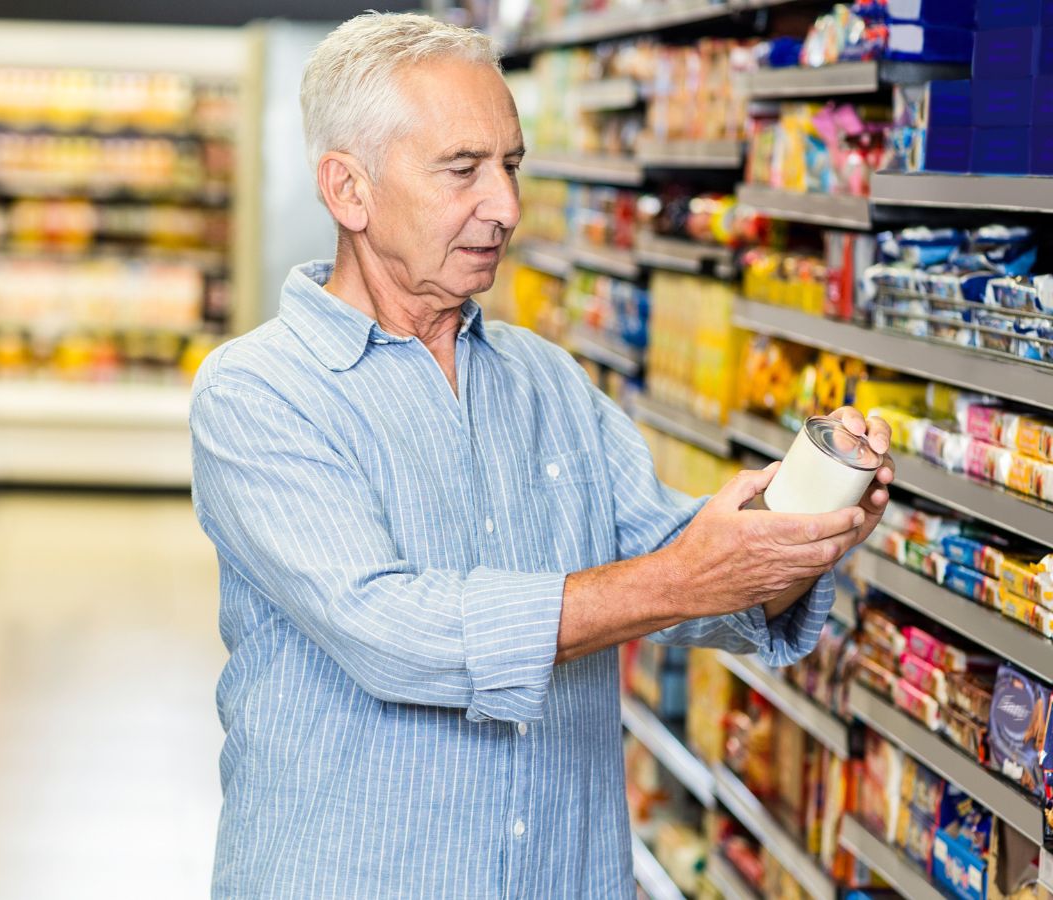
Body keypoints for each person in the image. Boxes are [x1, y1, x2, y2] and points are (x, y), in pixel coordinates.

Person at [188, 11, 893, 898]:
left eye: (511, 165)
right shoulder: (258, 393)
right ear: (348, 190)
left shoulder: (547, 383)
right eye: (462, 170)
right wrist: (683, 577)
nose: (507, 208)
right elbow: (393, 632)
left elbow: (687, 571)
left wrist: (805, 519)